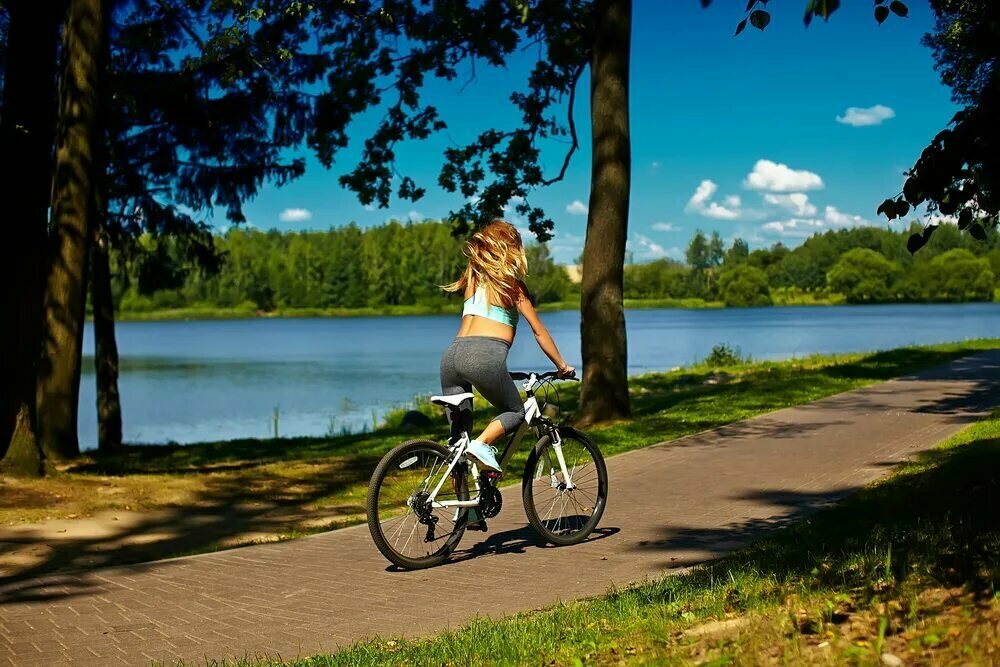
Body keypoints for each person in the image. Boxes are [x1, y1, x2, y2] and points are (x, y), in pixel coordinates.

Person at [440, 219, 575, 473]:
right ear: (510, 250)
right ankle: (482, 445)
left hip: (451, 358)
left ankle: (463, 498)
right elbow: (539, 331)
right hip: (482, 357)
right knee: (516, 412)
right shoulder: (513, 287)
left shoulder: (472, 282)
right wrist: (562, 365)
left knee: (458, 445)